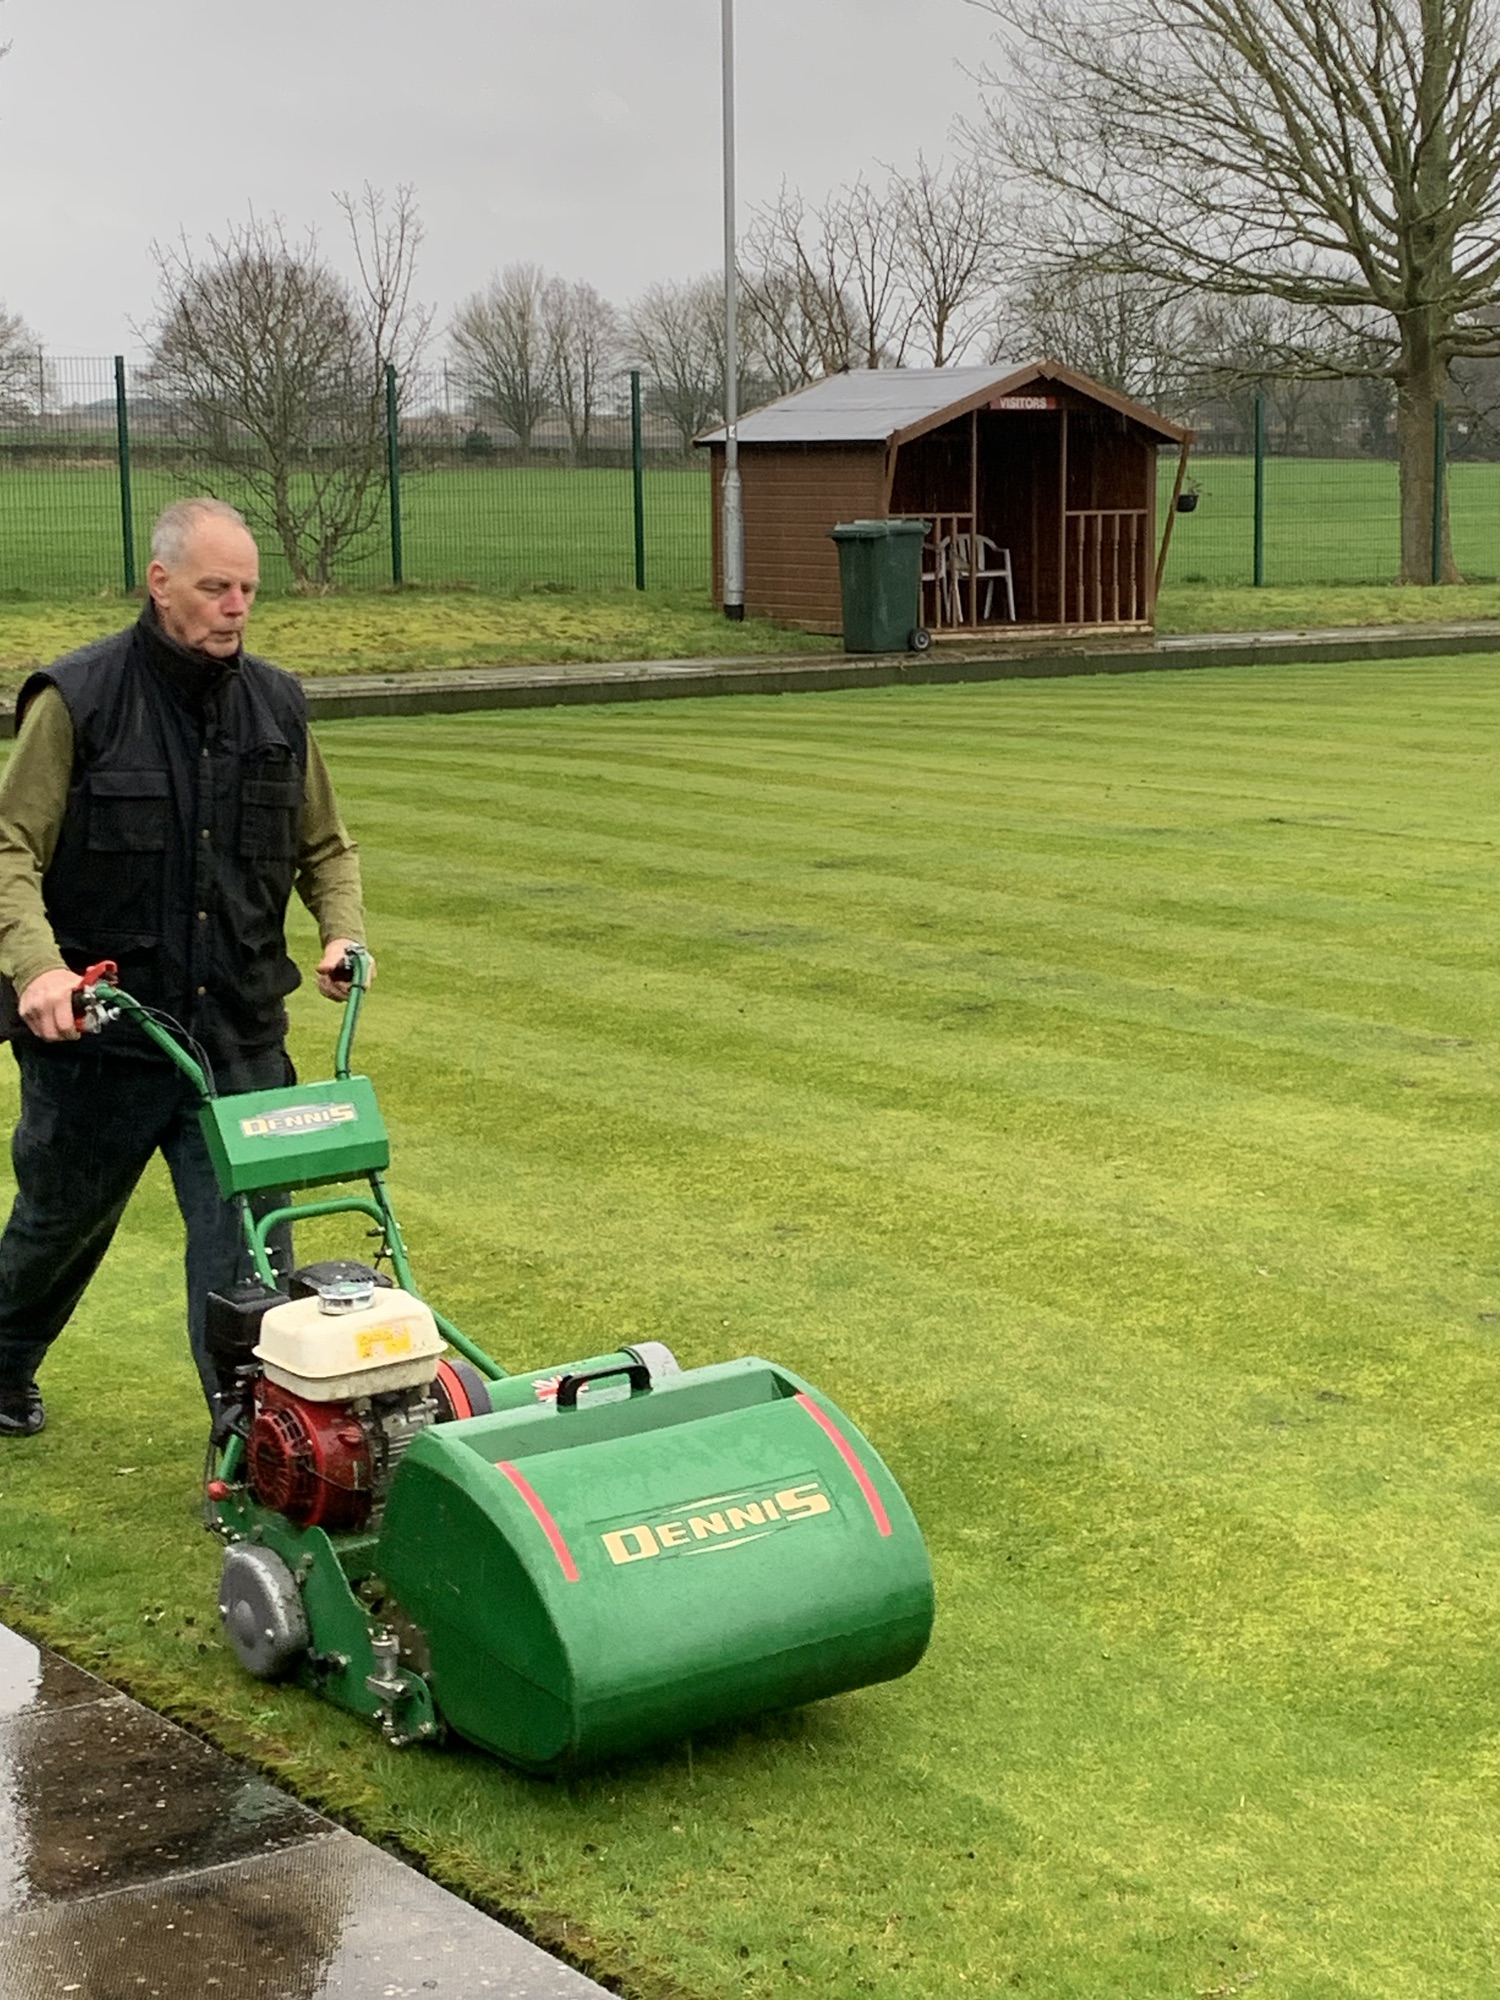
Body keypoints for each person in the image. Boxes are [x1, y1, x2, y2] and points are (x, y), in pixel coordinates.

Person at [0, 497, 368, 1438]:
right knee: (56, 1231)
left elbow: (325, 848)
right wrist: (38, 970)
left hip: (240, 1034)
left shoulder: (279, 704)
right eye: (216, 587)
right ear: (160, 583)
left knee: (250, 1254)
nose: (236, 605)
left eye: (247, 587)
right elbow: (9, 847)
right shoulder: (75, 698)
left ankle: (251, 1452)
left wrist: (341, 932)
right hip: (102, 1036)